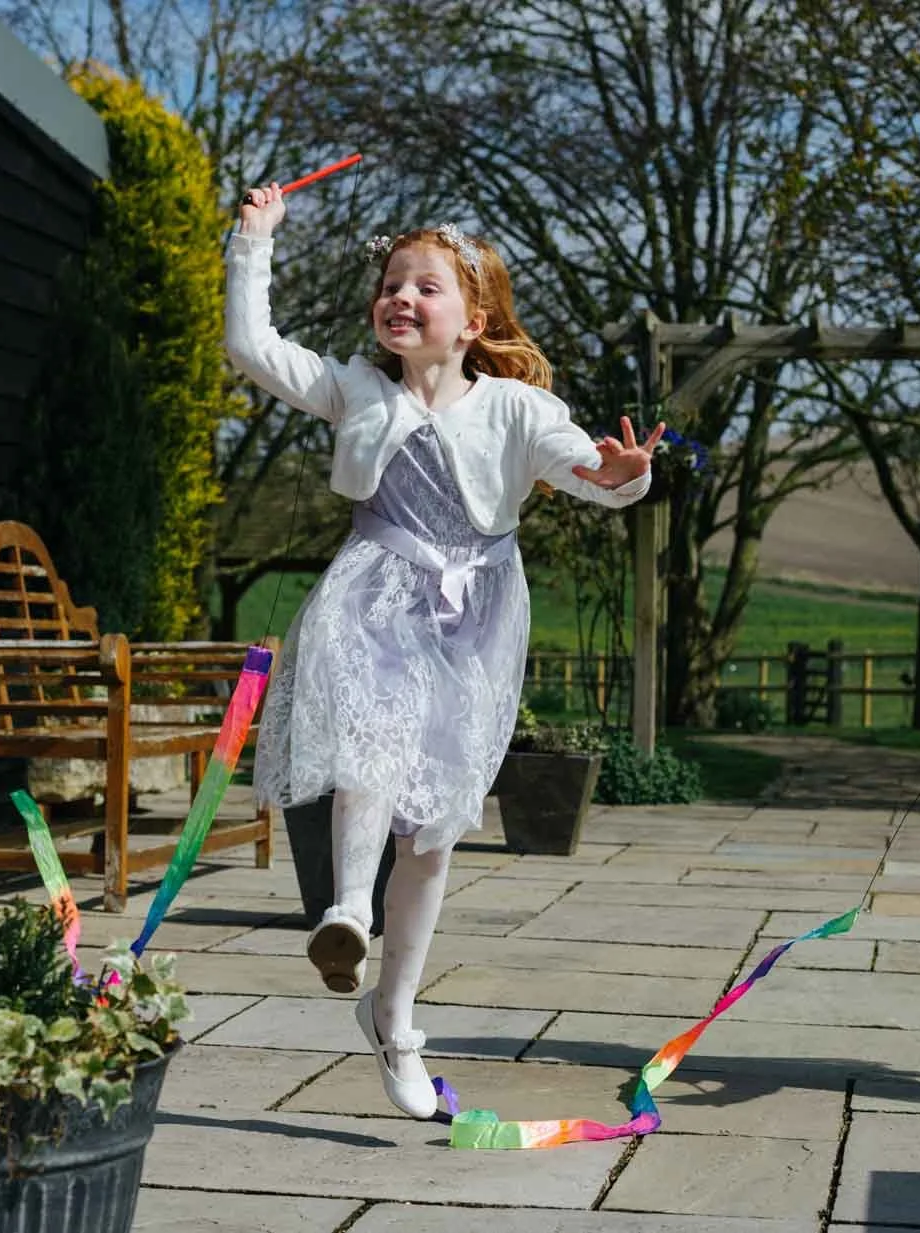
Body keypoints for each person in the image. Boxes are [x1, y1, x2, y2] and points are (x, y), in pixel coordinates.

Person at [225, 183, 662, 1119]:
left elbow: (586, 469)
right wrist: (252, 241)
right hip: (374, 595)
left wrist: (622, 475)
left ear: (474, 321)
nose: (403, 298)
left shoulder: (514, 406)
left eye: (427, 286)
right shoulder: (354, 387)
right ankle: (346, 909)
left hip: (476, 621)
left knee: (435, 831)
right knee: (371, 748)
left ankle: (395, 1015)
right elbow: (251, 350)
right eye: (392, 284)